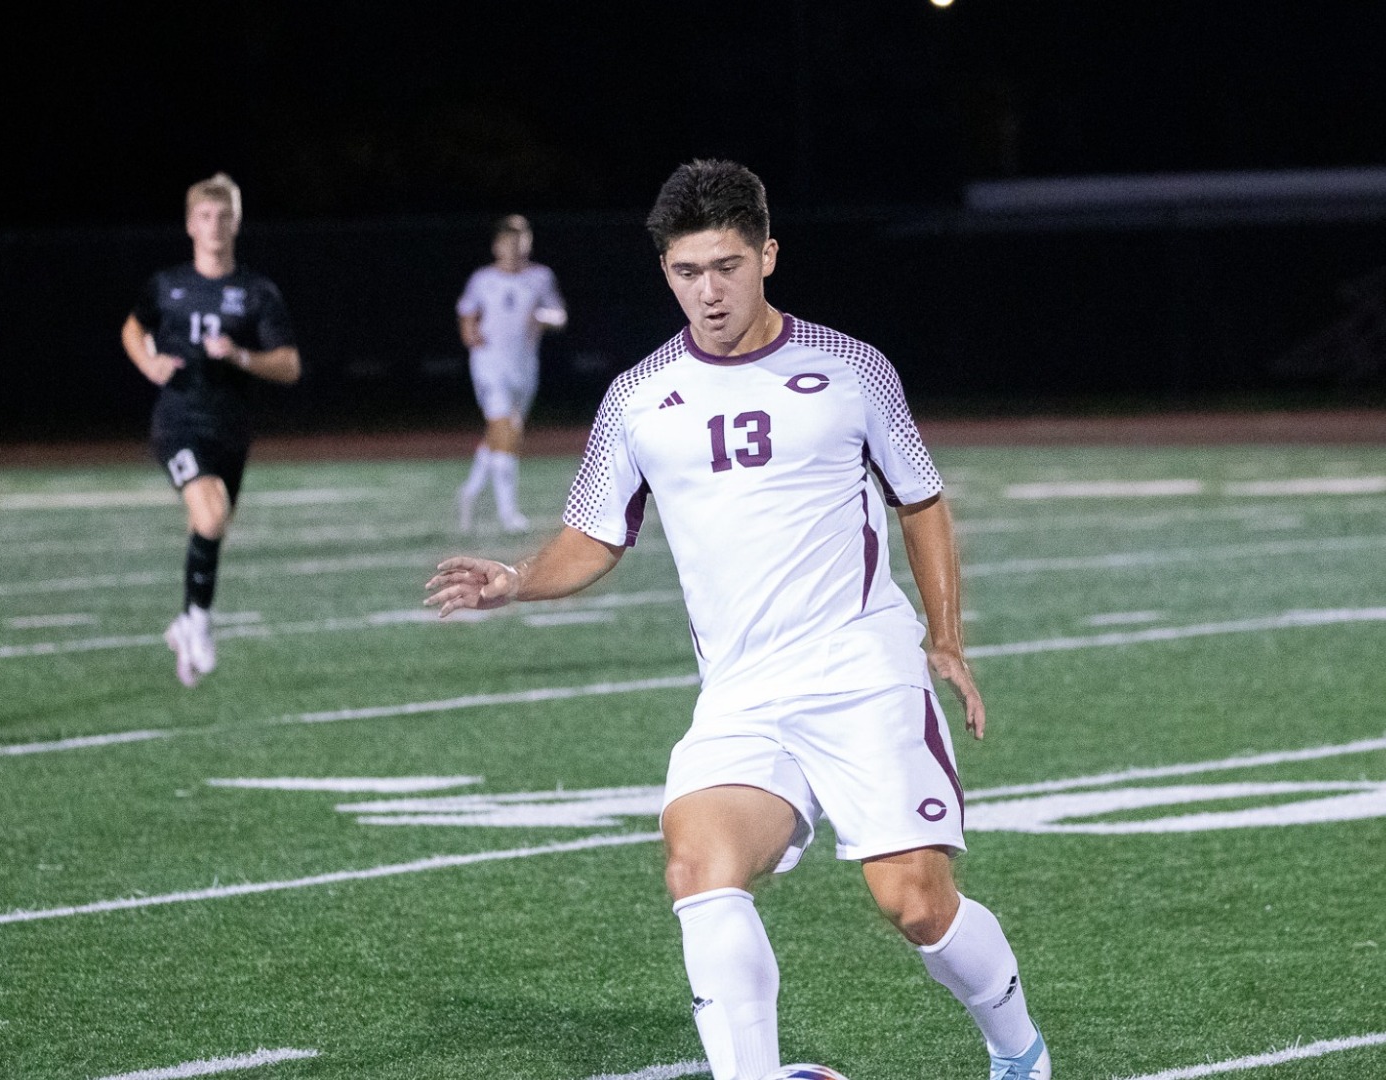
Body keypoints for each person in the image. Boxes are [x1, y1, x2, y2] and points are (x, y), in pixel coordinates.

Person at [424, 160, 1049, 1080]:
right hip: (742, 698)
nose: (707, 293)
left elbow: (921, 499)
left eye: (725, 266)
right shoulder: (637, 398)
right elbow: (594, 535)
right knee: (698, 871)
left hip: (860, 672)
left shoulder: (850, 368)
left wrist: (945, 637)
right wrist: (516, 580)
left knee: (914, 902)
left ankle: (1019, 1052)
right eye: (686, 272)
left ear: (768, 254)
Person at [120, 172, 301, 687]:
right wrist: (148, 364)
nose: (214, 225)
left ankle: (185, 625)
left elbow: (289, 365)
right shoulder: (168, 285)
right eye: (205, 216)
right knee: (211, 513)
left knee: (208, 527)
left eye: (224, 216)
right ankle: (198, 622)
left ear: (237, 222)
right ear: (189, 224)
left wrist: (241, 355)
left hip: (231, 427)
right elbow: (134, 328)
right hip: (177, 421)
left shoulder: (256, 292)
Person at [454, 213, 568, 533]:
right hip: (490, 365)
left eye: (520, 238)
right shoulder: (483, 279)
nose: (515, 245)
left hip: (525, 365)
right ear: (496, 246)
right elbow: (466, 314)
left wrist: (544, 316)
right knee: (506, 430)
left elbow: (559, 315)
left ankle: (471, 491)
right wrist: (470, 334)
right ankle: (508, 514)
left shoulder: (540, 277)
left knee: (504, 433)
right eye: (508, 240)